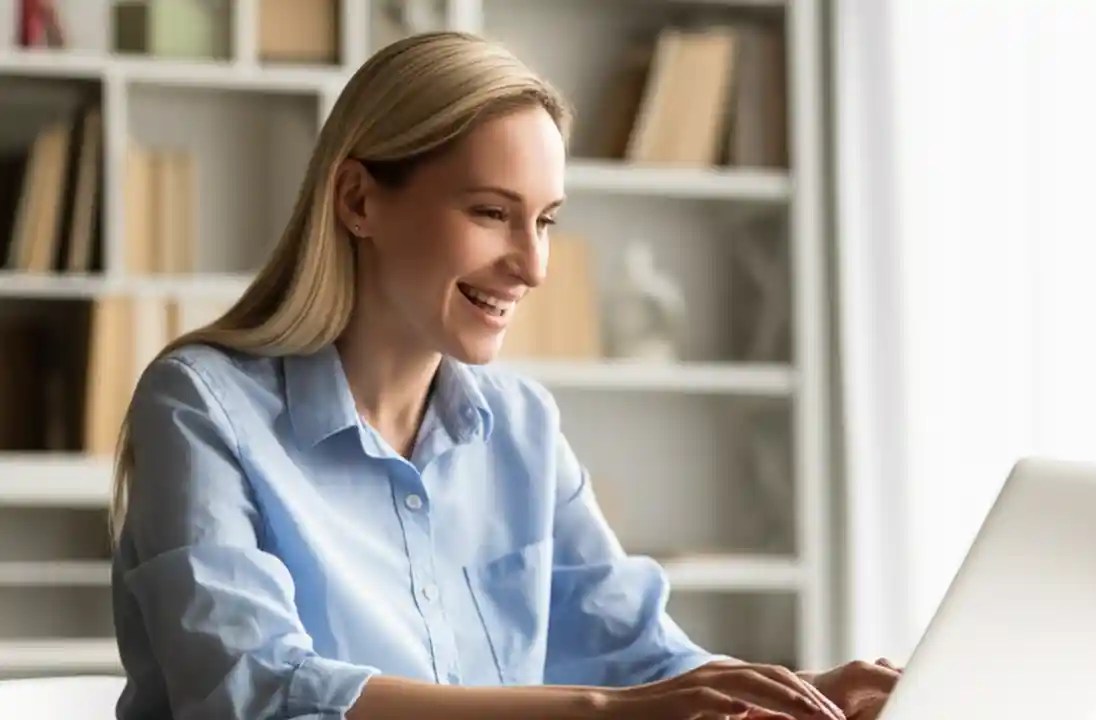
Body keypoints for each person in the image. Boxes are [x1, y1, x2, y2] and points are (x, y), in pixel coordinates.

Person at [109, 31, 900, 720]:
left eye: (546, 220)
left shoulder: (520, 425)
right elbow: (255, 694)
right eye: (491, 213)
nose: (532, 265)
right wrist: (599, 714)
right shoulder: (201, 404)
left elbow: (642, 659)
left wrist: (804, 696)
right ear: (358, 200)